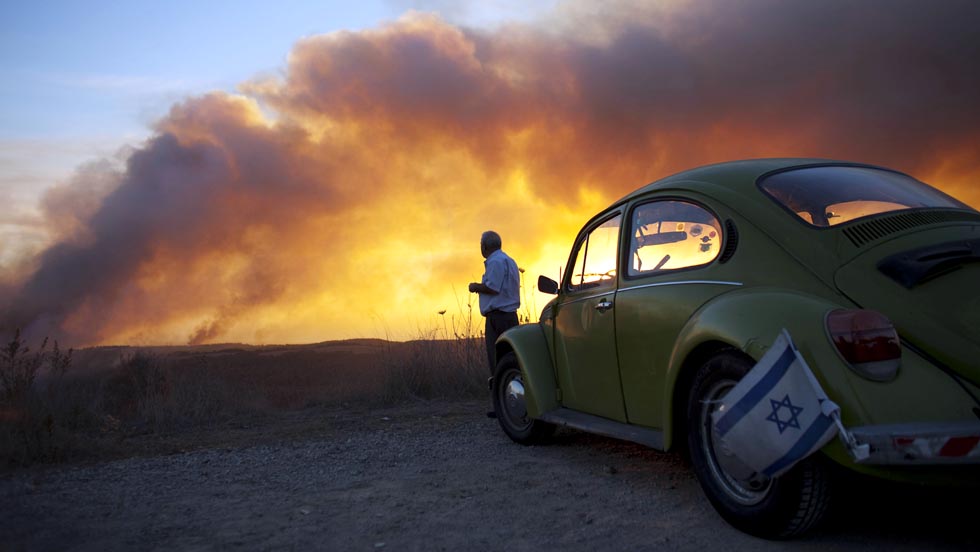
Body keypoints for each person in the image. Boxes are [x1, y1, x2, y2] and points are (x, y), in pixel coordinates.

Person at [468, 230, 521, 377]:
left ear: (484, 247)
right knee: (512, 359)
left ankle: (499, 394)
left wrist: (475, 287)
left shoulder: (495, 262)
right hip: (510, 316)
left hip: (497, 318)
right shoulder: (510, 261)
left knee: (497, 360)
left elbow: (492, 287)